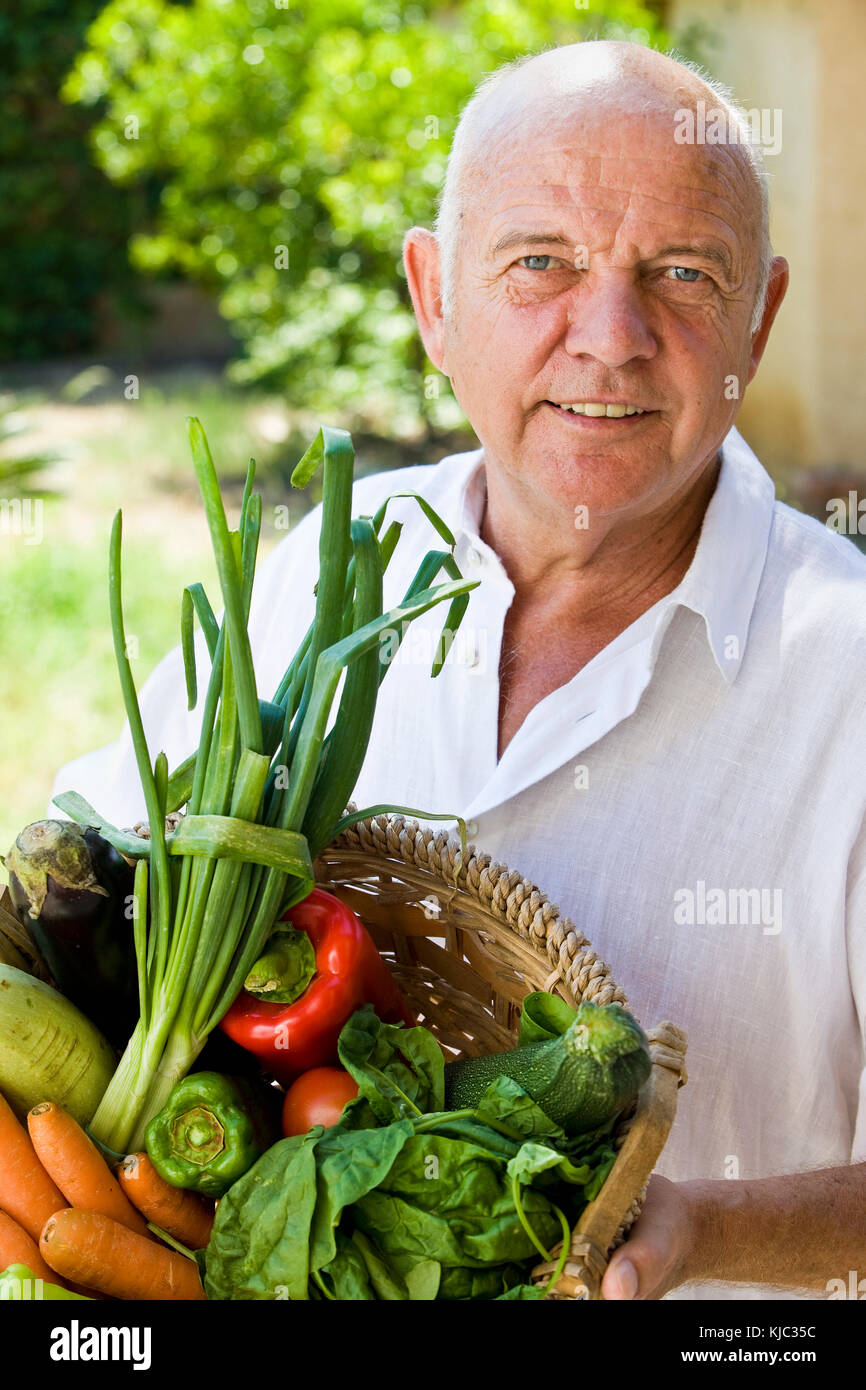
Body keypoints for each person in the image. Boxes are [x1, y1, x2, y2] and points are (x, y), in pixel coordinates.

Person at [52, 41, 866, 1301]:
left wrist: (699, 1228)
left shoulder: (847, 671)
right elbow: (86, 866)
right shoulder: (318, 571)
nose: (608, 336)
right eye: (539, 262)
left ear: (753, 321)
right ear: (433, 301)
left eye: (681, 274)